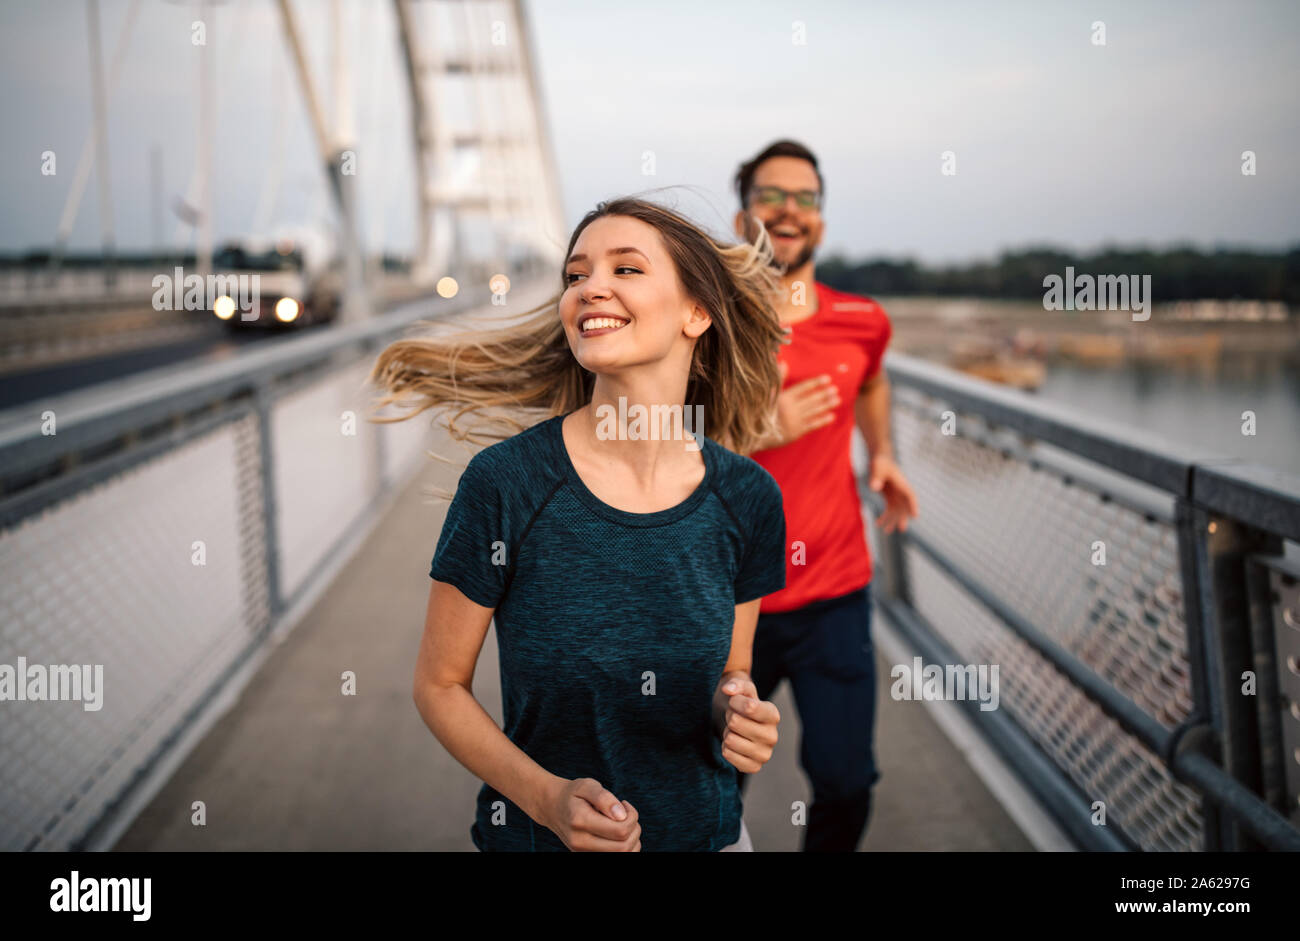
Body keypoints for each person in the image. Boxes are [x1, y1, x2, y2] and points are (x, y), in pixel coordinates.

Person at [368, 196, 791, 851]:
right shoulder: (505, 484)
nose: (590, 287)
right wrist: (547, 798)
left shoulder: (749, 497)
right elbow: (439, 685)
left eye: (626, 270)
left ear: (696, 312)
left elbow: (730, 671)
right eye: (575, 275)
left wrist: (740, 708)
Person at [731, 140, 920, 851]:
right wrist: (760, 425)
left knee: (846, 782)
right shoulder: (704, 324)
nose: (788, 211)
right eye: (769, 196)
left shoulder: (862, 320)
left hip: (833, 591)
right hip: (725, 601)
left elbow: (869, 379)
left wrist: (886, 455)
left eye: (805, 198)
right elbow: (650, 437)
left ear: (821, 222)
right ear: (741, 215)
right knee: (711, 784)